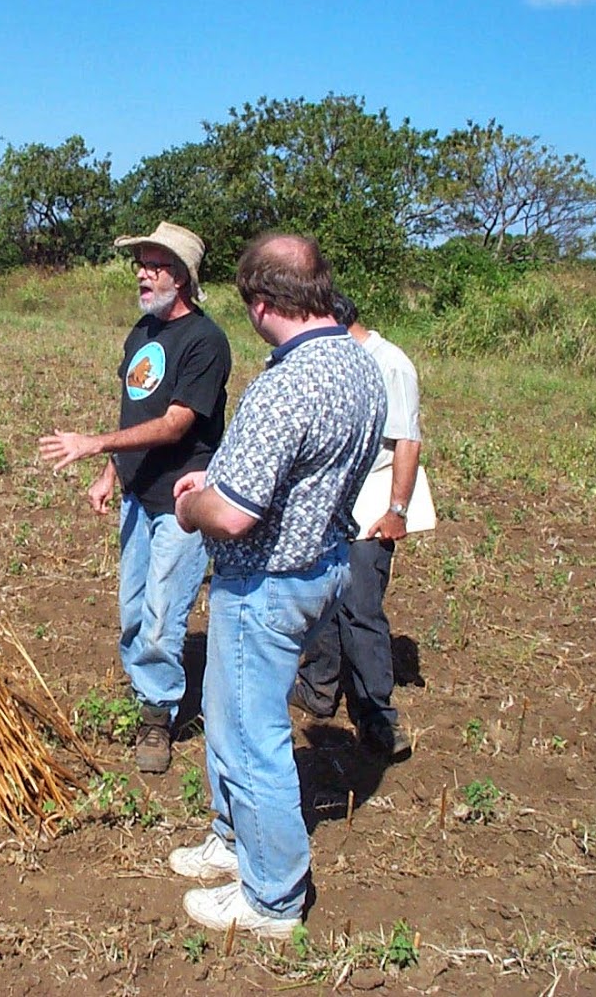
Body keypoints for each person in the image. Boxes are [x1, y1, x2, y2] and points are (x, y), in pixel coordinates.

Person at [167, 233, 385, 937]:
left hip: (265, 583)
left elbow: (231, 516)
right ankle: (232, 840)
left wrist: (193, 503)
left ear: (261, 304)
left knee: (247, 736)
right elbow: (298, 476)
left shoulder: (289, 383)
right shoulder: (362, 364)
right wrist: (222, 478)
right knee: (242, 725)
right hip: (320, 568)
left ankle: (271, 897)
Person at [39, 221, 232, 774]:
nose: (143, 274)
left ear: (184, 277)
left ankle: (157, 716)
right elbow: (136, 414)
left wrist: (94, 441)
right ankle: (147, 691)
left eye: (155, 264)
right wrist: (111, 471)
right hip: (137, 493)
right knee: (131, 610)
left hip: (181, 499)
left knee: (162, 615)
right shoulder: (142, 333)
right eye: (140, 264)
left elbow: (175, 424)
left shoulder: (205, 342)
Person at [291, 293, 421, 760]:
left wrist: (397, 511)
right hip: (331, 500)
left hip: (373, 501)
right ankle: (318, 687)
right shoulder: (335, 361)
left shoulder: (392, 365)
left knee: (361, 606)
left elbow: (408, 440)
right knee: (322, 594)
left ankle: (377, 716)